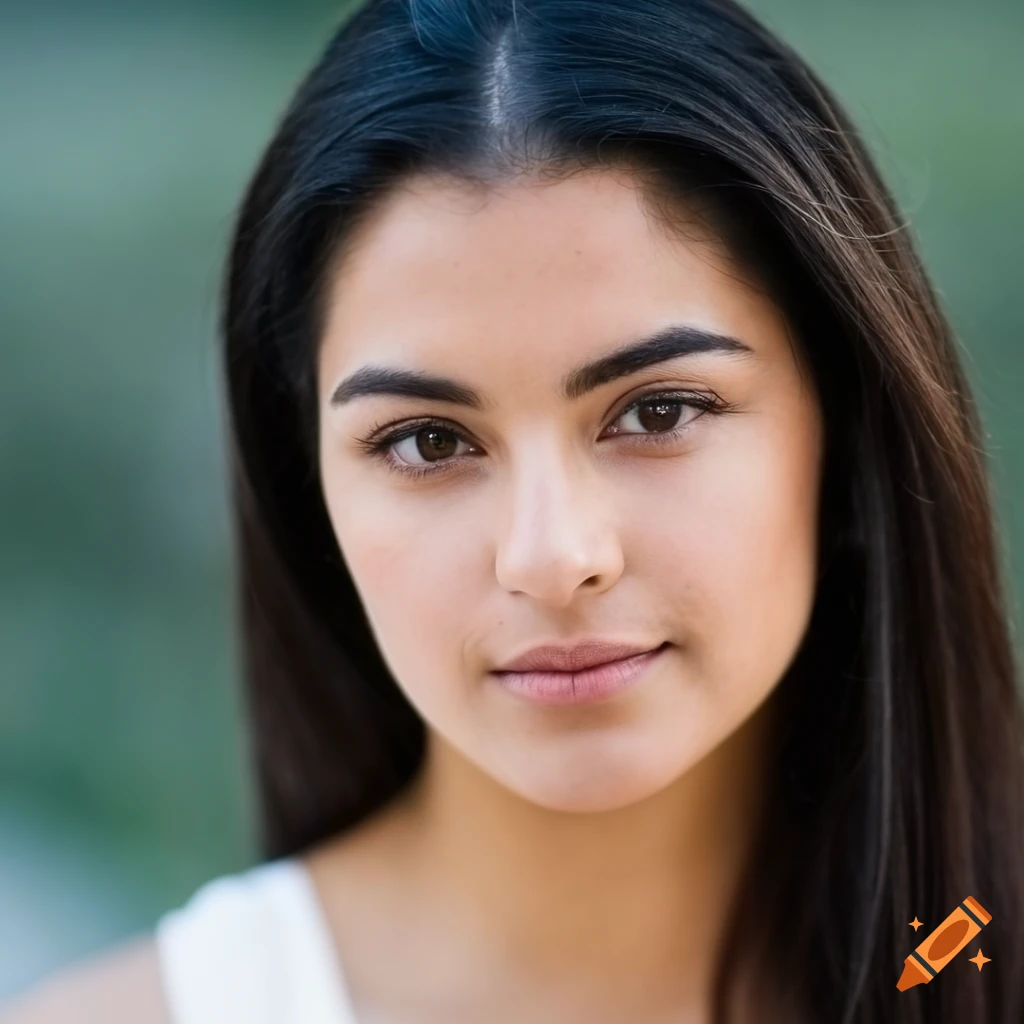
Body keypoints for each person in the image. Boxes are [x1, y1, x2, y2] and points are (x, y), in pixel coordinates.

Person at [5, 0, 1024, 1021]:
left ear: (844, 436)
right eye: (427, 442)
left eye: (658, 411)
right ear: (307, 483)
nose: (552, 555)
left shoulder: (962, 954)